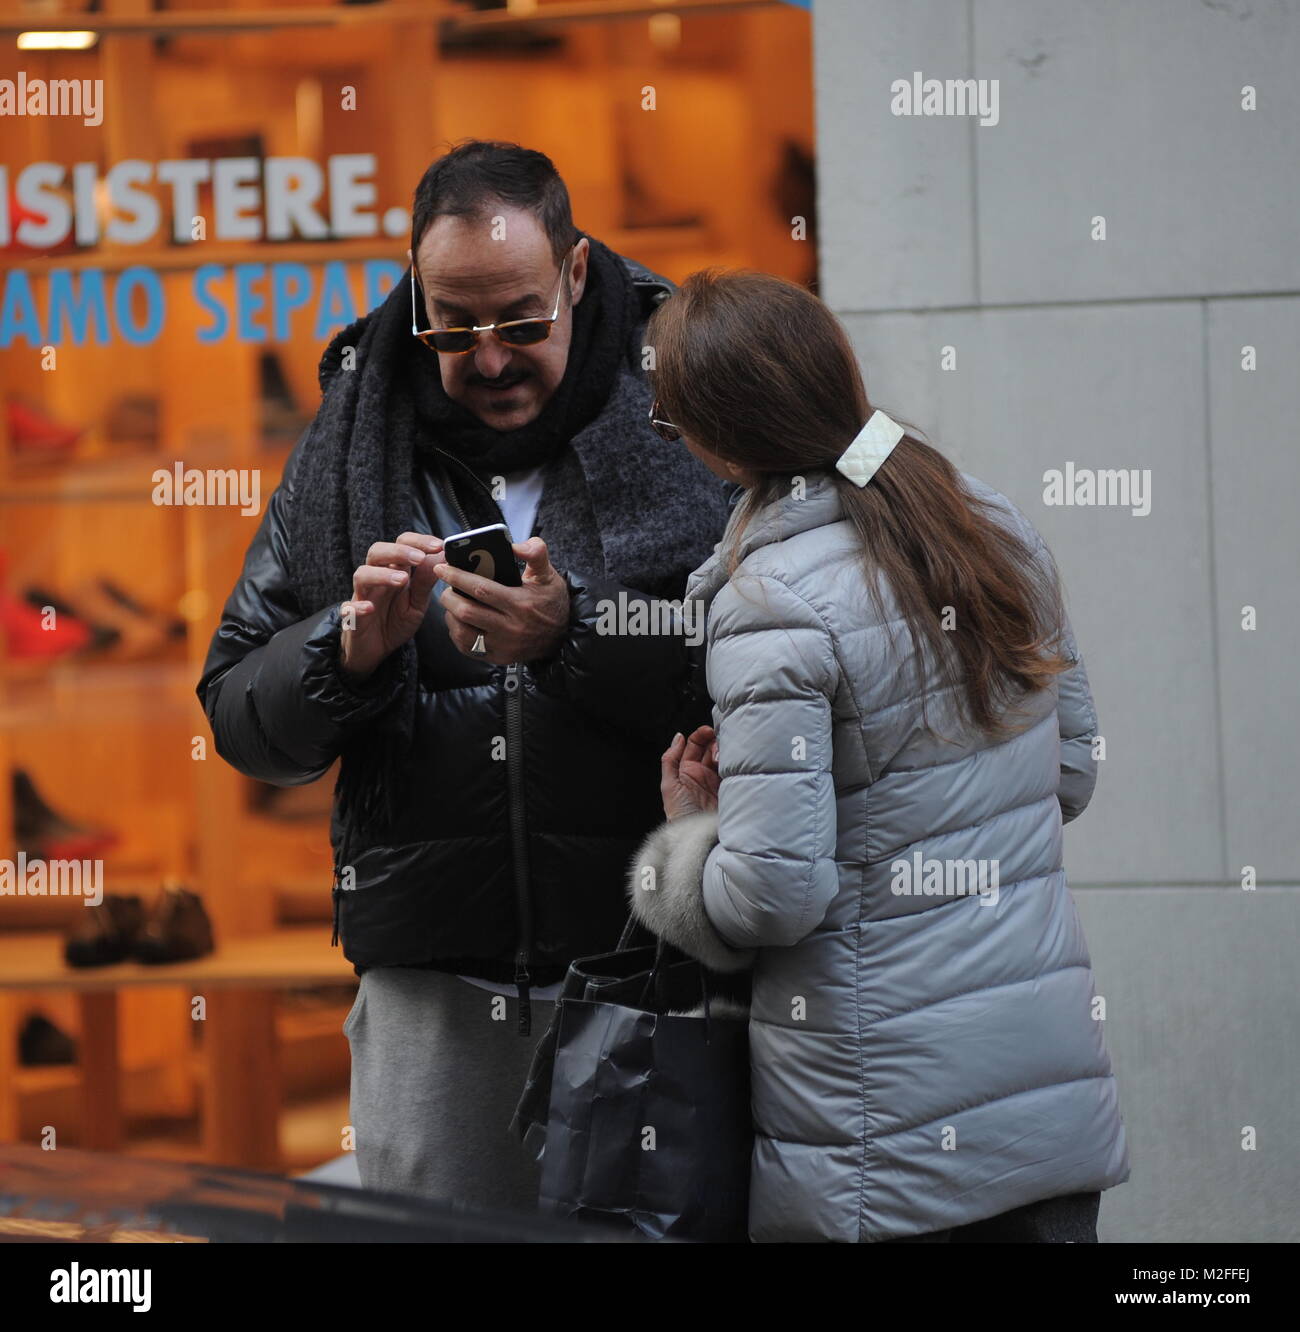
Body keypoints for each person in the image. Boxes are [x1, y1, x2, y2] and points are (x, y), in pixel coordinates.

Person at [197, 142, 730, 1211]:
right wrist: (343, 654)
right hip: (430, 1001)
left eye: (521, 323)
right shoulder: (350, 436)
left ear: (577, 275)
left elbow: (762, 677)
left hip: (645, 974)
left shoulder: (690, 412)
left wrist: (572, 638)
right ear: (412, 284)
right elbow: (238, 714)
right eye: (452, 324)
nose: (487, 358)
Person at [628, 269, 1130, 1243]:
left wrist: (690, 841)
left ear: (720, 438)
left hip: (884, 1144)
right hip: (1045, 1104)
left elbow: (774, 896)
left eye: (668, 422)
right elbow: (1069, 773)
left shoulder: (768, 601)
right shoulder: (984, 526)